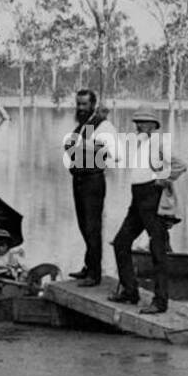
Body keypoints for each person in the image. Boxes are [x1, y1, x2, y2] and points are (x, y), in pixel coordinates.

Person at [110, 105, 187, 315]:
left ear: (153, 124)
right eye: (137, 122)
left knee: (158, 251)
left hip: (152, 199)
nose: (138, 125)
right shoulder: (141, 142)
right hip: (137, 199)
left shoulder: (159, 141)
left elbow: (180, 165)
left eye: (143, 122)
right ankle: (130, 291)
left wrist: (163, 179)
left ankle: (160, 302)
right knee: (121, 243)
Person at [63, 88, 117, 287]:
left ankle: (95, 274)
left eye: (84, 104)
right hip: (78, 180)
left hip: (92, 181)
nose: (80, 108)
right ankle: (89, 265)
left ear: (93, 105)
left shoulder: (104, 126)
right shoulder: (84, 125)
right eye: (78, 104)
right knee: (83, 225)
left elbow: (114, 153)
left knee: (93, 227)